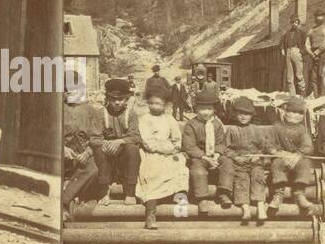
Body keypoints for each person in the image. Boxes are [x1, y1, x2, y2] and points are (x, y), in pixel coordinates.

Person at [135, 78, 189, 230]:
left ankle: (181, 207)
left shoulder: (169, 119)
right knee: (152, 174)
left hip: (170, 152)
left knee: (180, 168)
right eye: (151, 103)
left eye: (158, 103)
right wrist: (166, 148)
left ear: (165, 105)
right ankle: (150, 213)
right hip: (152, 153)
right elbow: (148, 143)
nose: (154, 106)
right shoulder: (144, 119)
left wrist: (174, 148)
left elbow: (177, 139)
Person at [182, 87, 234, 211]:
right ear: (196, 109)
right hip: (200, 156)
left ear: (214, 110)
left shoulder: (217, 124)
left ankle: (223, 192)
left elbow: (221, 142)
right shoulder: (191, 125)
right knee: (198, 170)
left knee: (227, 163)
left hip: (215, 155)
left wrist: (216, 155)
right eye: (202, 109)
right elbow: (189, 146)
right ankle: (202, 198)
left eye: (209, 109)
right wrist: (204, 157)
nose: (206, 112)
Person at [225, 96, 274, 223]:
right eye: (240, 113)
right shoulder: (231, 129)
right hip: (239, 163)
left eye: (247, 114)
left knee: (258, 177)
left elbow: (264, 147)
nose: (243, 117)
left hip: (254, 162)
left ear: (252, 115)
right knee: (242, 181)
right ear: (235, 114)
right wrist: (235, 156)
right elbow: (226, 148)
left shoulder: (256, 129)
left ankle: (260, 206)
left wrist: (258, 155)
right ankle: (245, 209)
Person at [61, 72, 104, 210]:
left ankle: (65, 200)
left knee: (93, 170)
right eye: (66, 91)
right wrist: (61, 148)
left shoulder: (91, 111)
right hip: (63, 152)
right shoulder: (58, 109)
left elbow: (97, 137)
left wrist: (87, 152)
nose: (70, 94)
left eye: (74, 90)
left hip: (82, 153)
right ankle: (68, 198)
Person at [96, 78, 141, 205]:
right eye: (113, 99)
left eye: (120, 99)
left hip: (123, 154)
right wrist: (103, 142)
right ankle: (104, 191)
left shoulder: (131, 115)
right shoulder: (101, 113)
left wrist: (120, 141)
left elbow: (136, 136)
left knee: (133, 148)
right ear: (107, 99)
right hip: (107, 153)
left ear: (126, 99)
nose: (116, 103)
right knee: (98, 148)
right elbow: (94, 135)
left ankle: (130, 192)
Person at [268, 95, 316, 212]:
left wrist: (297, 155)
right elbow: (268, 144)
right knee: (276, 165)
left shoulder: (302, 129)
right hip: (281, 157)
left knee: (305, 165)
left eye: (299, 113)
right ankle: (278, 194)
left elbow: (307, 146)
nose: (295, 116)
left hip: (296, 158)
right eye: (291, 112)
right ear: (284, 111)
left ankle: (299, 193)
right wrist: (278, 153)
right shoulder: (276, 126)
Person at [305, 10, 325, 97]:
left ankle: (323, 97)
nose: (318, 18)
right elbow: (307, 44)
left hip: (324, 55)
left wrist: (316, 53)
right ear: (315, 18)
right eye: (317, 16)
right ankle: (317, 97)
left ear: (323, 17)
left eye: (320, 16)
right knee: (313, 78)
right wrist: (312, 54)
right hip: (313, 56)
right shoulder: (311, 31)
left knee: (323, 76)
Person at [278, 15, 308, 95]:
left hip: (296, 51)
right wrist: (282, 50)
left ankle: (303, 95)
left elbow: (307, 44)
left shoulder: (302, 33)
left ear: (298, 23)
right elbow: (281, 42)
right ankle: (292, 96)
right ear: (290, 23)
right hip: (288, 52)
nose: (294, 24)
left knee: (299, 75)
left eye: (296, 22)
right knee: (289, 77)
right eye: (292, 22)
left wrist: (301, 52)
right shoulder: (287, 33)